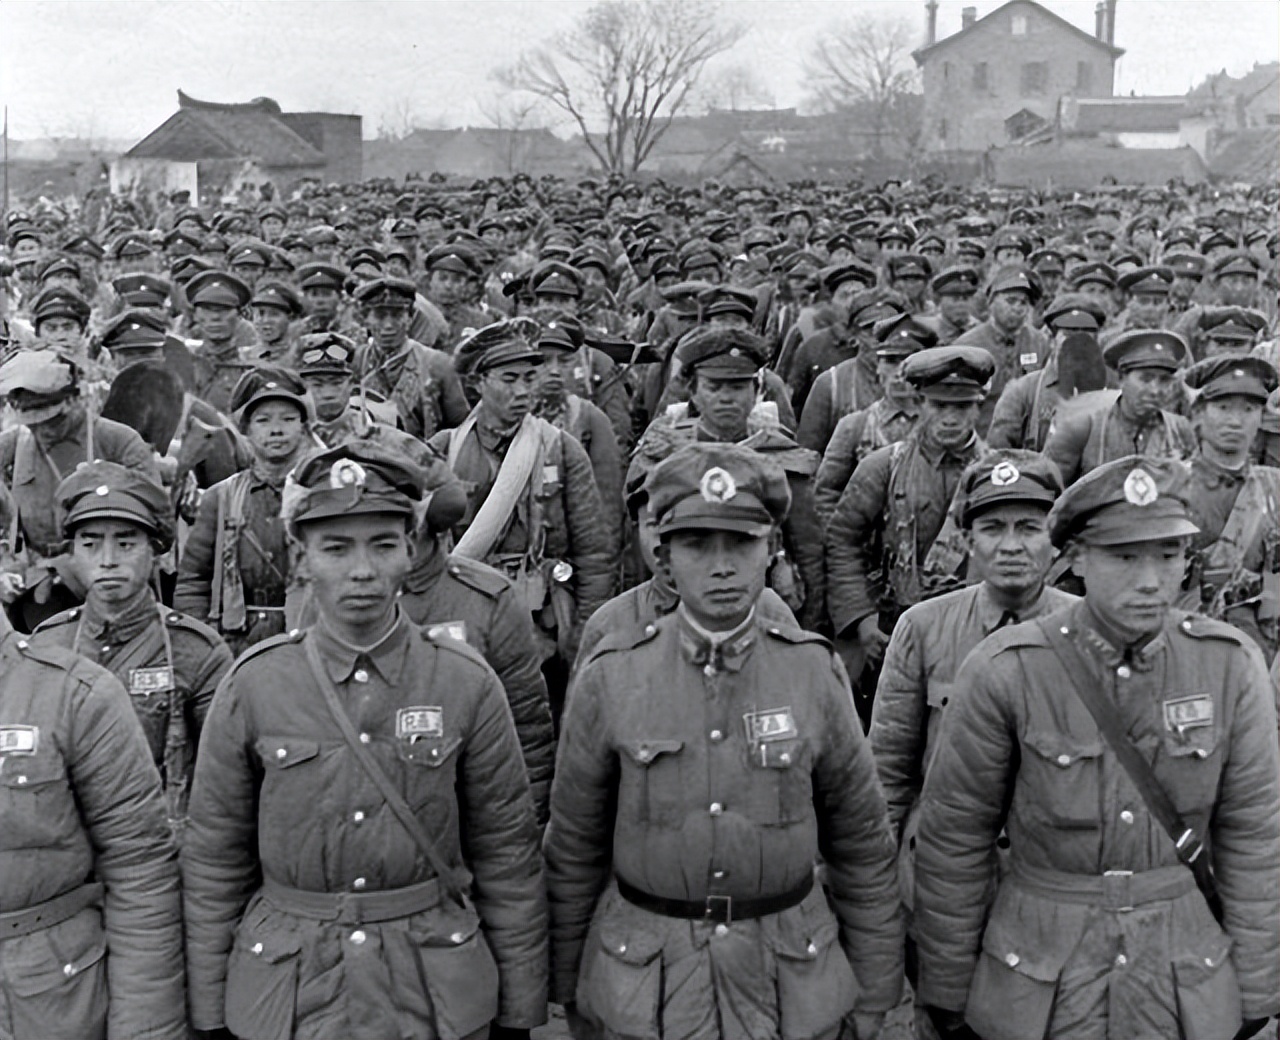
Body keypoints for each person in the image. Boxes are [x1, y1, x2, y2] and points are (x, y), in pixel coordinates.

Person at [183, 443, 548, 1040]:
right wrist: (208, 1013)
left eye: (382, 544)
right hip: (290, 993)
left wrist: (519, 1014)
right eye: (336, 548)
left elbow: (508, 857)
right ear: (301, 559)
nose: (361, 570)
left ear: (410, 550)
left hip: (431, 991)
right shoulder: (254, 683)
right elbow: (214, 864)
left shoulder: (465, 682)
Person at [913, 455, 1280, 1040]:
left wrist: (1258, 992)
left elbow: (1254, 840)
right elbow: (955, 843)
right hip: (1040, 977)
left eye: (1168, 554)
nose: (1151, 579)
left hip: (1183, 975)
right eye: (1125, 556)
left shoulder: (1229, 665)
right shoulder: (1007, 670)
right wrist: (948, 991)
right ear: (1077, 558)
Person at [546, 441, 903, 1040]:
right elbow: (575, 848)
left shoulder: (812, 672)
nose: (721, 566)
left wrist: (872, 989)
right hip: (647, 984)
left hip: (789, 980)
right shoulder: (612, 673)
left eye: (741, 544)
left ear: (770, 551)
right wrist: (568, 984)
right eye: (696, 545)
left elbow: (862, 846)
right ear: (665, 557)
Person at [868, 451, 1076, 1037]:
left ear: (1054, 540)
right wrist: (881, 892)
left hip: (1050, 890)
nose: (1011, 544)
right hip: (943, 890)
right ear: (967, 540)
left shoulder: (1088, 631)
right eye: (992, 527)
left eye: (1029, 527)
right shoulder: (924, 628)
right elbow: (887, 771)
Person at [32, 462, 232, 836]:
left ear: (154, 551)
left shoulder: (196, 652)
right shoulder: (47, 645)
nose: (108, 560)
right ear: (72, 554)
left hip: (158, 845)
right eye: (90, 544)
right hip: (70, 845)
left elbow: (223, 778)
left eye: (125, 543)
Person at [429, 319, 613, 668]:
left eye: (530, 378)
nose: (522, 391)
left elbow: (593, 553)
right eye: (509, 380)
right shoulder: (445, 450)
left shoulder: (561, 449)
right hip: (465, 612)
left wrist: (583, 636)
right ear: (479, 383)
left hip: (541, 621)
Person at [825, 345, 994, 723]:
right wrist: (862, 619)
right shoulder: (884, 466)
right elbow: (843, 540)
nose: (950, 418)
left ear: (979, 407)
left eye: (962, 407)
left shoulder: (996, 473)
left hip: (974, 627)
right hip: (893, 626)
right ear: (920, 404)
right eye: (939, 406)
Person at [176, 366, 315, 655]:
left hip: (309, 639)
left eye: (288, 419)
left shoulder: (322, 491)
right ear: (247, 429)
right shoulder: (221, 497)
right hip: (235, 642)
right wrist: (202, 644)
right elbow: (194, 581)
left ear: (303, 426)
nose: (276, 430)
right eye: (263, 420)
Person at [1179, 355, 1280, 661]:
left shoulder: (1276, 488)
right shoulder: (1170, 486)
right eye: (1223, 408)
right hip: (1186, 646)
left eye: (1248, 410)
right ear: (1198, 414)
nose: (1236, 421)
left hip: (1263, 656)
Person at [1044, 329, 1196, 485]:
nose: (1155, 390)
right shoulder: (1083, 428)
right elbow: (1047, 490)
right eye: (1146, 379)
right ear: (1121, 379)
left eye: (1164, 380)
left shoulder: (1180, 431)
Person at [352, 276, 469, 440]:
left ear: (410, 318)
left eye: (397, 315)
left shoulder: (437, 364)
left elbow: (461, 428)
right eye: (379, 315)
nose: (388, 325)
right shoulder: (356, 361)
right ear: (365, 319)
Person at [955, 266, 1048, 435]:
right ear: (992, 302)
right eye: (1011, 301)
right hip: (981, 438)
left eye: (1023, 302)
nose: (1018, 308)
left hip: (1025, 442)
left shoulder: (1039, 342)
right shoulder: (967, 345)